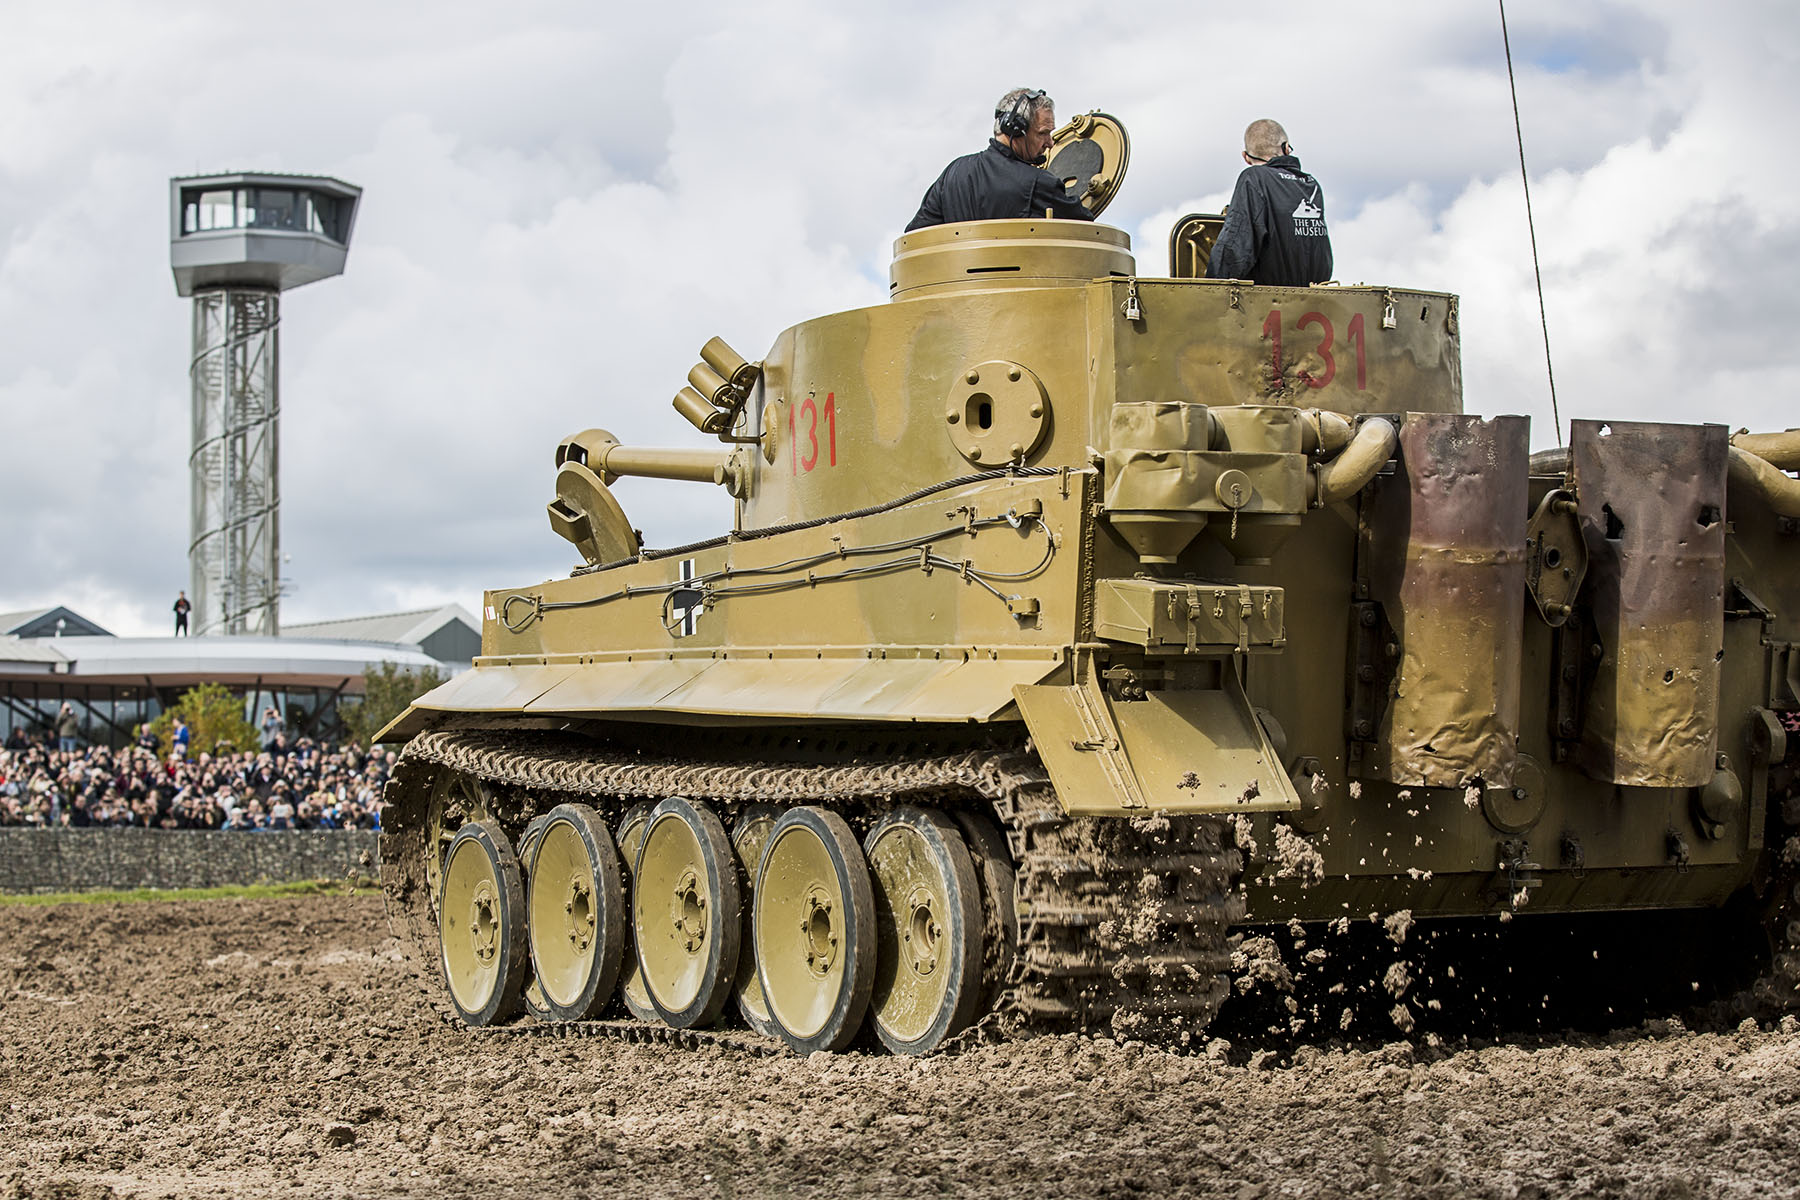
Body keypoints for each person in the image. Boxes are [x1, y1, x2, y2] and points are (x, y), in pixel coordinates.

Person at [905, 88, 1097, 231]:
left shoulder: (952, 173)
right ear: (1017, 130)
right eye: (1043, 134)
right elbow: (1087, 230)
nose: (1050, 143)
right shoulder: (1039, 184)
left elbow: (915, 236)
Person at [1206, 119, 1333, 287]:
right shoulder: (1310, 184)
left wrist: (1211, 287)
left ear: (1246, 157)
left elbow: (1234, 250)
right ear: (1287, 148)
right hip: (1316, 302)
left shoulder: (1254, 178)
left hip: (1268, 303)